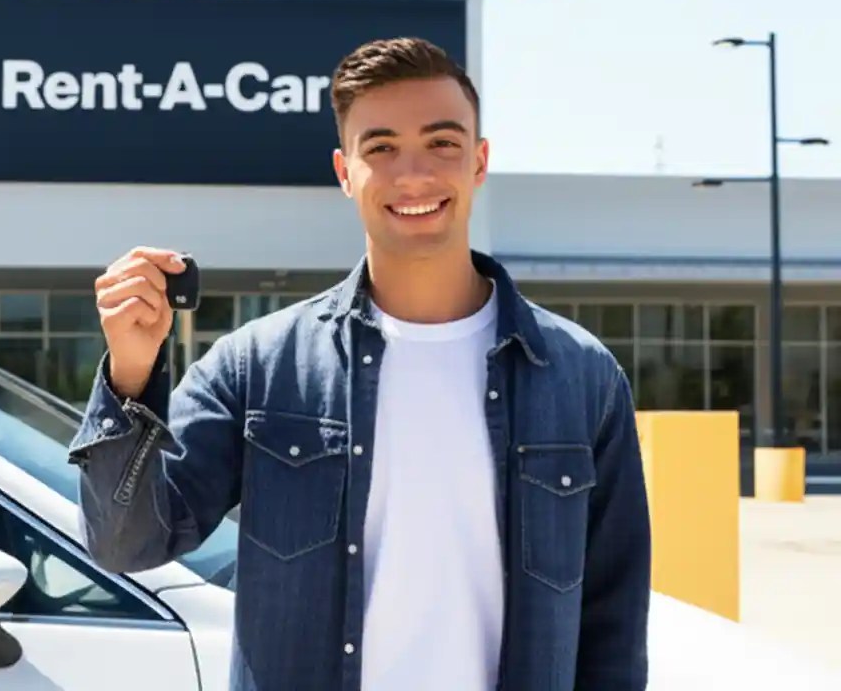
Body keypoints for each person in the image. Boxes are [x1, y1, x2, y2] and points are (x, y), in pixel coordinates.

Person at [67, 36, 650, 691]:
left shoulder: (581, 377)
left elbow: (613, 628)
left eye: (442, 143)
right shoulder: (259, 367)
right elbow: (125, 544)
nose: (414, 174)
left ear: (479, 162)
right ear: (345, 172)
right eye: (382, 148)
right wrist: (130, 374)